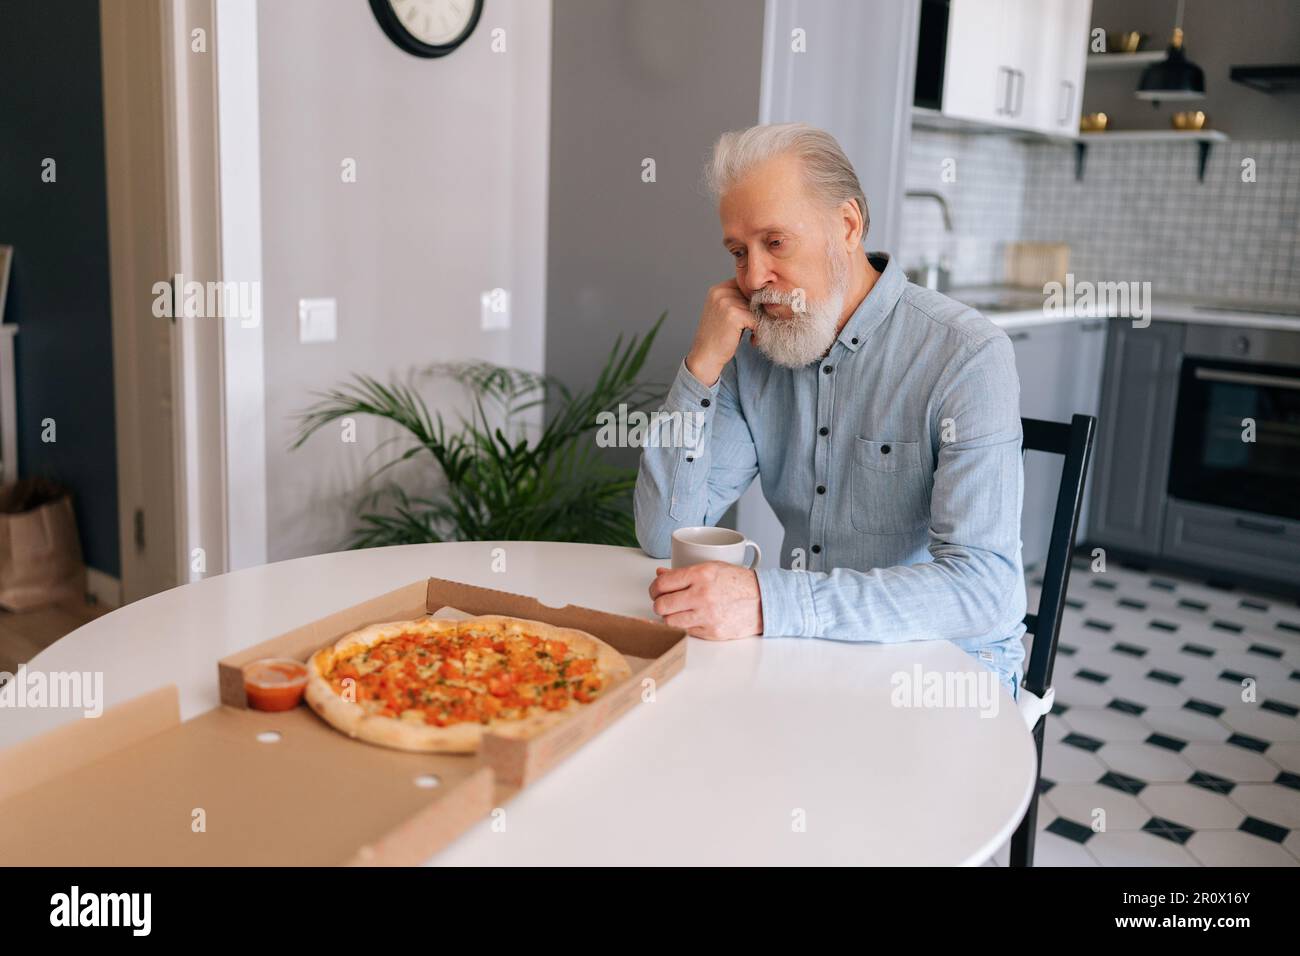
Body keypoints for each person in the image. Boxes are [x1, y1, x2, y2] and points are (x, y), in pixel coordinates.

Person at [634, 121, 1026, 702]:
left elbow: (984, 589)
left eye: (775, 242)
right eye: (739, 252)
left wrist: (769, 601)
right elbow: (663, 533)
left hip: (948, 670)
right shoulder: (754, 352)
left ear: (846, 225)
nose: (753, 278)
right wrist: (701, 366)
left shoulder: (967, 355)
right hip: (810, 652)